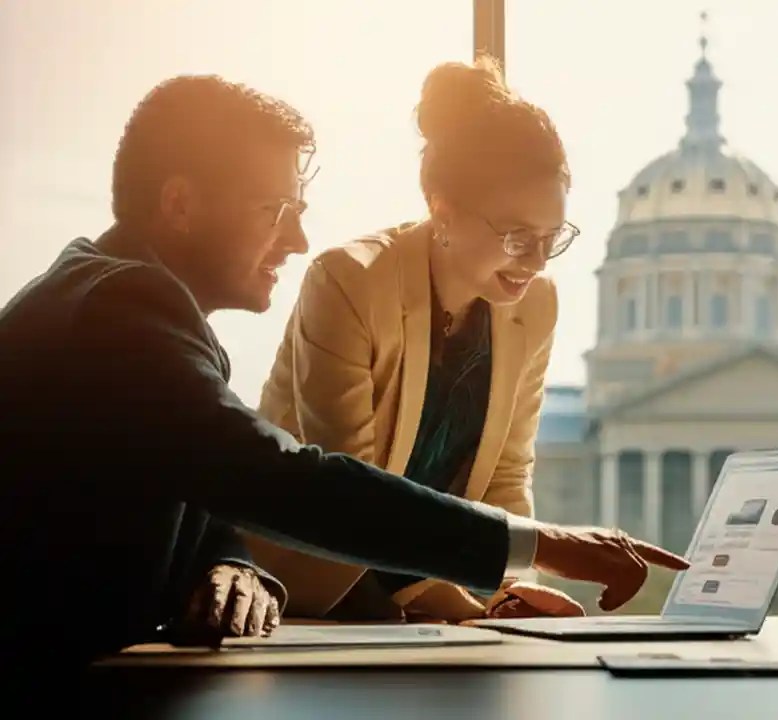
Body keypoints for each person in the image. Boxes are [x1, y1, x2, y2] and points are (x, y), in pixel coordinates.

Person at [0, 74, 687, 667]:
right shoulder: (124, 309)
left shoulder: (105, 295)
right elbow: (285, 479)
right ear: (179, 205)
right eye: (276, 210)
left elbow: (205, 476)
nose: (297, 238)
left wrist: (232, 562)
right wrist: (549, 546)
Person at [245, 57, 586, 624]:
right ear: (442, 211)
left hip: (429, 594)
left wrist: (505, 594)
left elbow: (505, 473)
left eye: (553, 236)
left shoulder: (535, 303)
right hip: (305, 590)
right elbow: (353, 492)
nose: (538, 259)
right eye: (518, 235)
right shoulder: (347, 281)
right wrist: (454, 601)